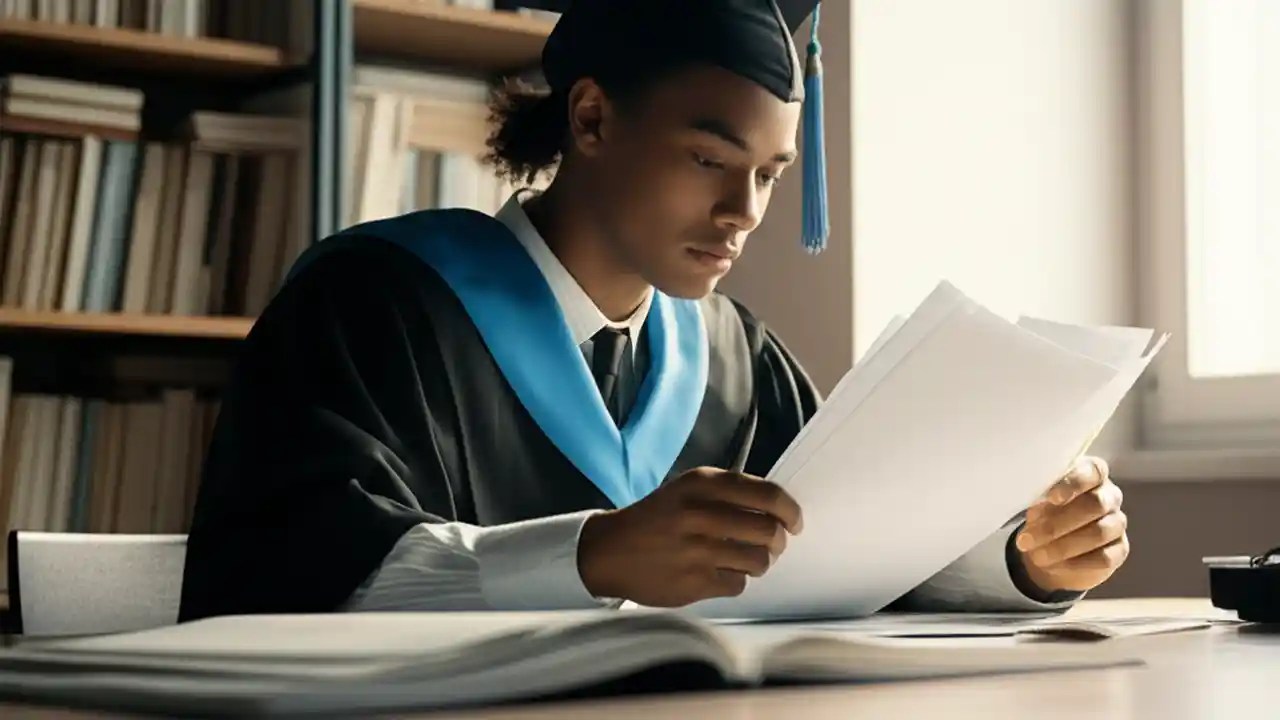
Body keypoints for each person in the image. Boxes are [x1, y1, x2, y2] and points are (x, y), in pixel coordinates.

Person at [178, 0, 1129, 621]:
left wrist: (1024, 561)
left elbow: (844, 564)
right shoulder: (375, 301)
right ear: (590, 120)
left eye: (769, 174)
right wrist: (591, 557)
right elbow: (286, 573)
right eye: (711, 160)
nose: (744, 212)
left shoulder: (732, 360)